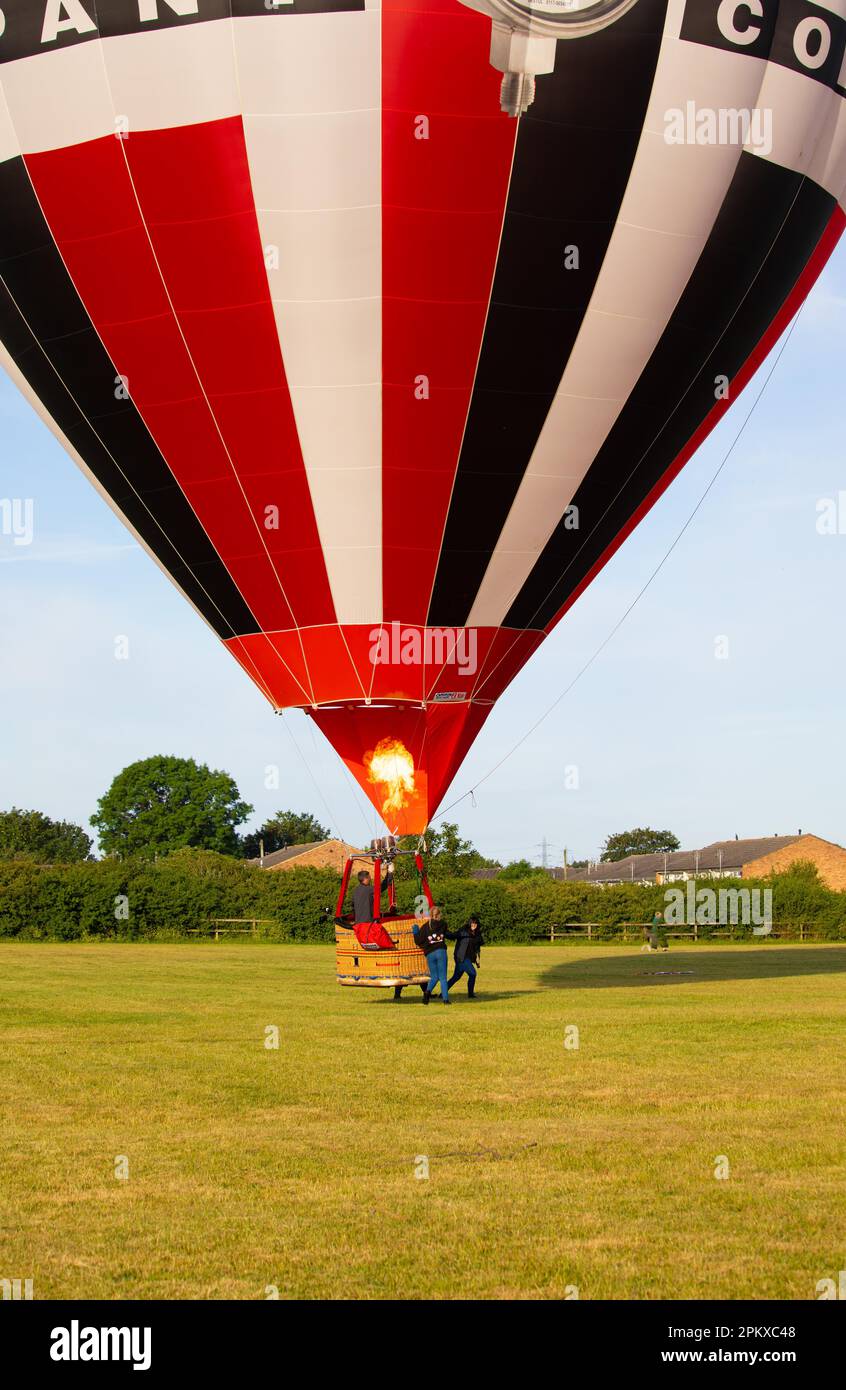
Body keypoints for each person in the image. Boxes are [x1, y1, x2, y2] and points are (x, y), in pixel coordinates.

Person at [413, 904, 454, 1005]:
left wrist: (415, 931)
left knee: (434, 977)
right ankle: (445, 1000)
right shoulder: (443, 924)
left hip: (430, 954)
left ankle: (427, 993)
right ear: (439, 915)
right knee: (443, 977)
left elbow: (418, 941)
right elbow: (448, 934)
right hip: (440, 952)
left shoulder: (426, 926)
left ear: (430, 915)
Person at [446, 914, 484, 998]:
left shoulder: (477, 934)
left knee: (456, 977)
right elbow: (452, 935)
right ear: (469, 923)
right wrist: (443, 931)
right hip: (461, 958)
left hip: (468, 959)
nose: (474, 925)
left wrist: (478, 960)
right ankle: (470, 994)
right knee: (473, 973)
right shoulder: (463, 931)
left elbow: (477, 948)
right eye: (472, 923)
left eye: (475, 923)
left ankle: (443, 993)